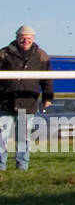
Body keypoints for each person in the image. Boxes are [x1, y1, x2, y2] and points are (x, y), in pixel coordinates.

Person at [0, 25, 53, 171]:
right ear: (17, 37)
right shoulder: (4, 53)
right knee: (1, 138)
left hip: (28, 102)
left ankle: (22, 167)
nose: (25, 40)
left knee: (23, 138)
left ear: (33, 39)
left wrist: (48, 97)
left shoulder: (41, 55)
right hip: (5, 102)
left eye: (29, 38)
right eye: (22, 37)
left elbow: (47, 79)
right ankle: (1, 166)